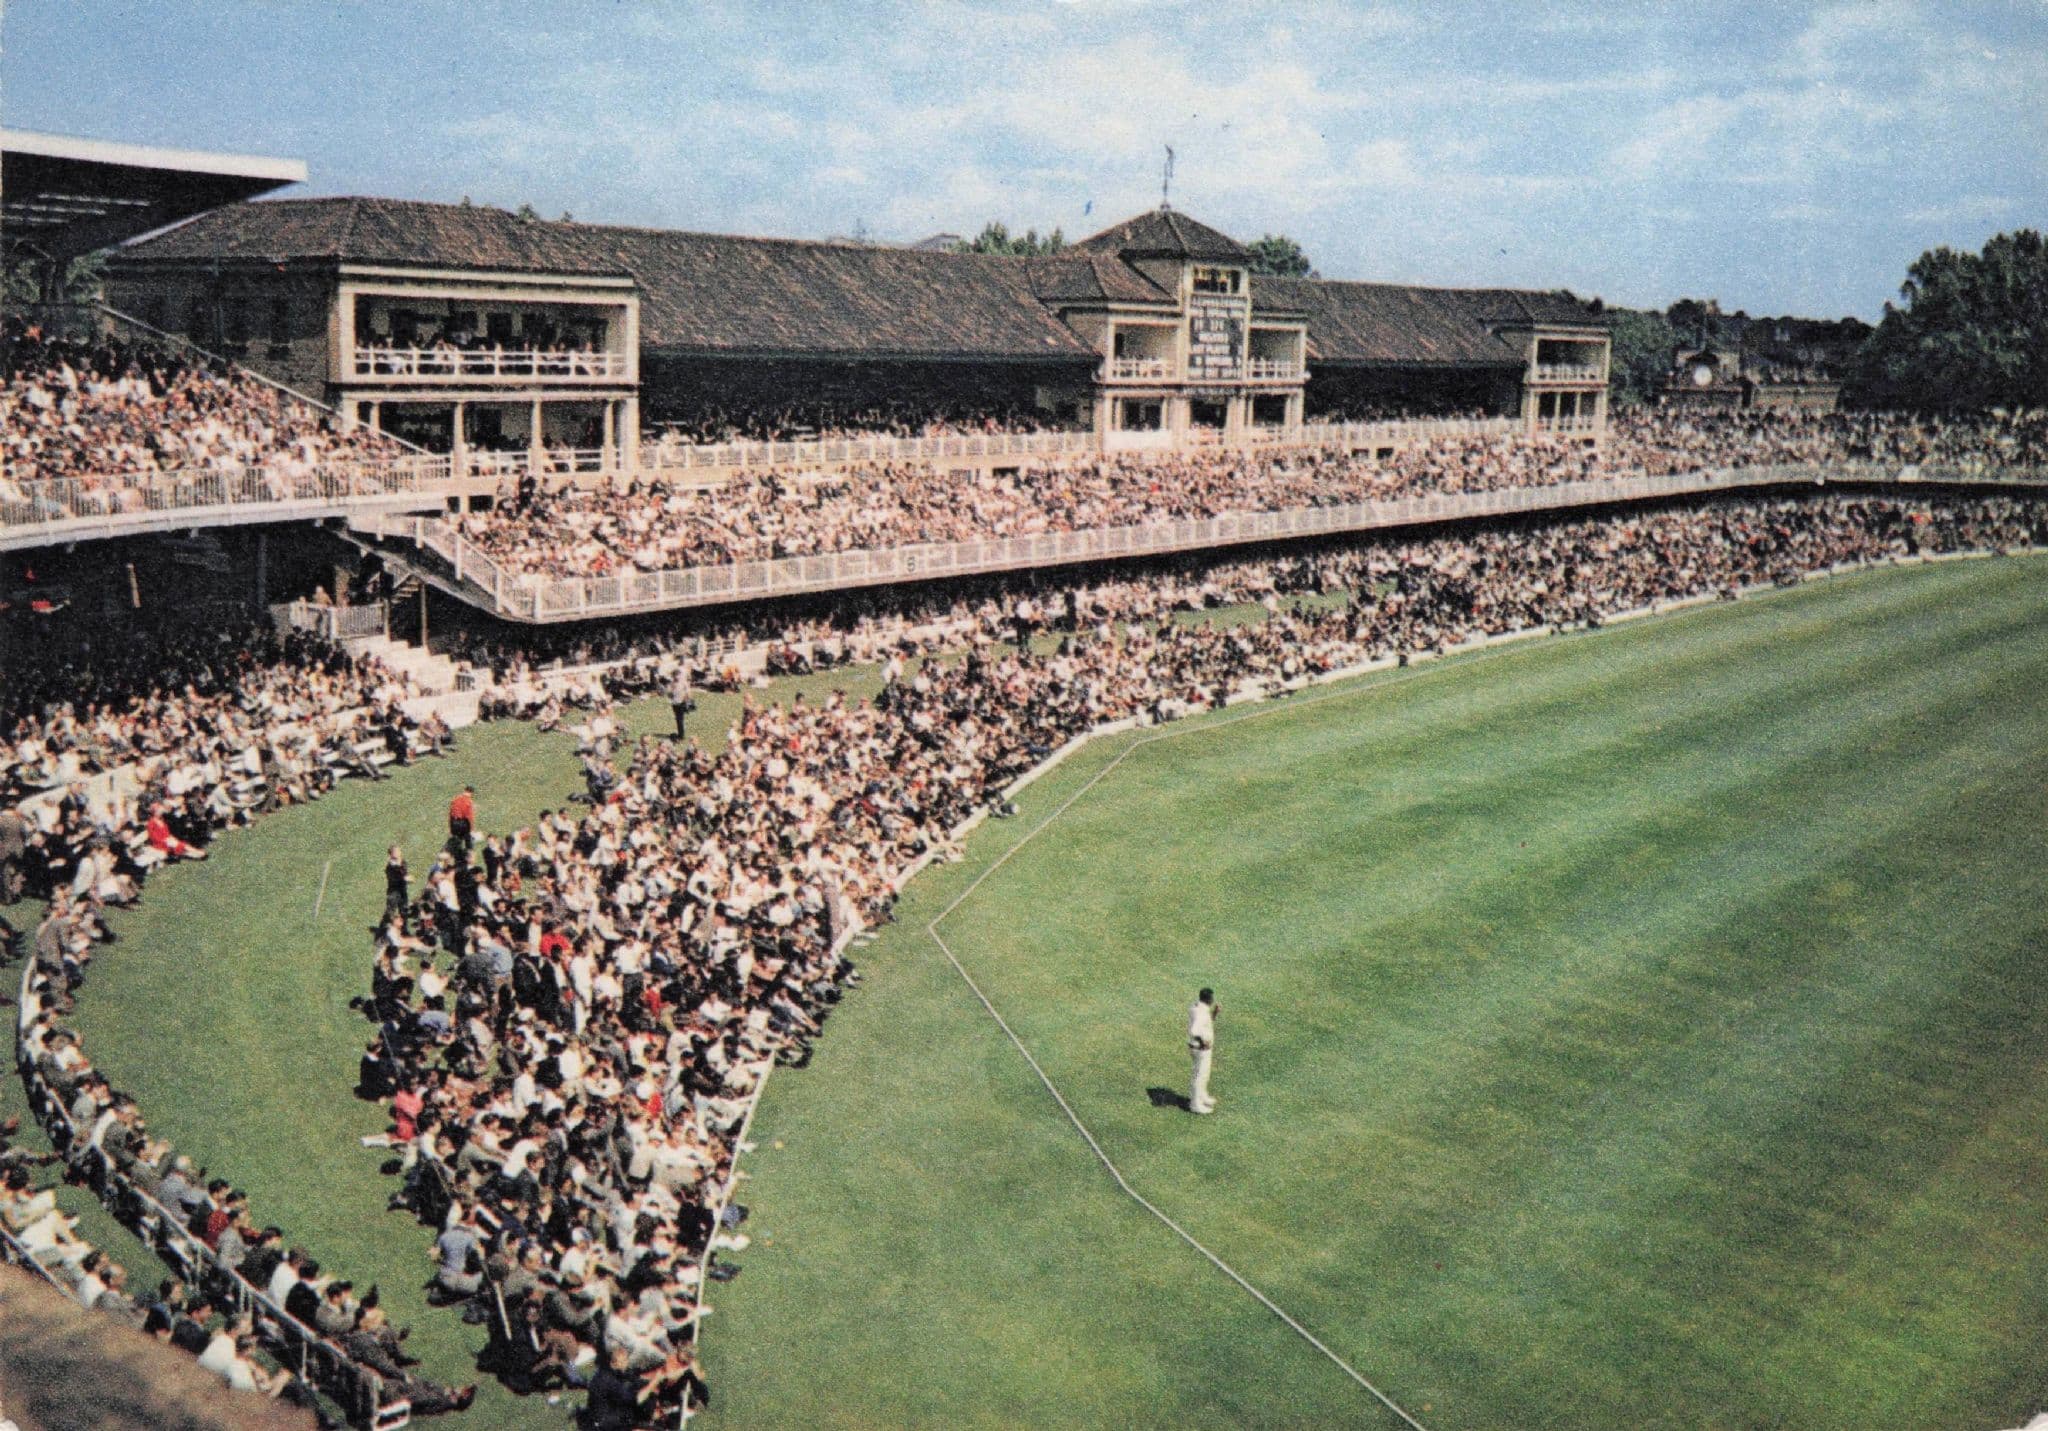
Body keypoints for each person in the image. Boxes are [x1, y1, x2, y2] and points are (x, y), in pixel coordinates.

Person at [1187, 988, 1217, 1115]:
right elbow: (1194, 1031)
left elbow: (1205, 1024)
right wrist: (1203, 1041)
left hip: (1200, 1048)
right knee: (1199, 1076)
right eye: (1212, 998)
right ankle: (1195, 1104)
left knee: (1204, 1074)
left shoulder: (1198, 1007)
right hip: (1200, 1049)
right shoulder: (1201, 1013)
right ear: (1208, 999)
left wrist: (1214, 1013)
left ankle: (1202, 1096)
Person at [666, 664, 693, 741]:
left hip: (682, 703)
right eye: (675, 675)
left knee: (680, 719)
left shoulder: (683, 683)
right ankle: (680, 734)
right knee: (678, 719)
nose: (677, 677)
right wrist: (672, 691)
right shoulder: (671, 684)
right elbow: (669, 695)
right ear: (673, 676)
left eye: (678, 675)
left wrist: (687, 700)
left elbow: (688, 693)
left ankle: (681, 735)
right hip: (675, 703)